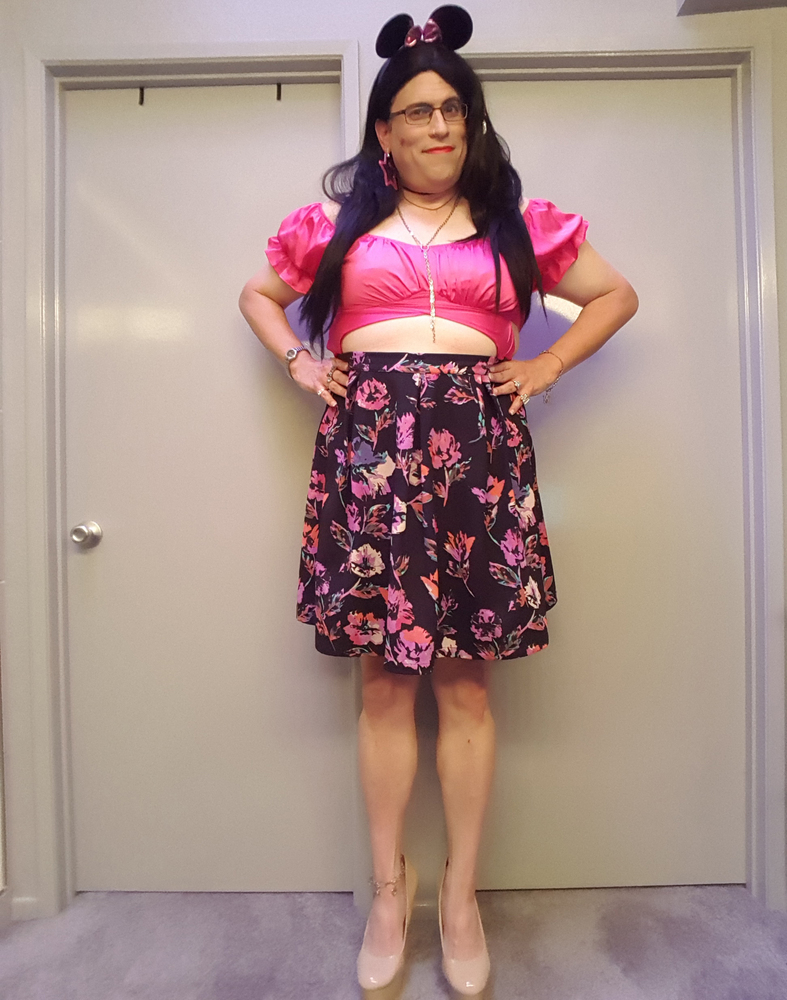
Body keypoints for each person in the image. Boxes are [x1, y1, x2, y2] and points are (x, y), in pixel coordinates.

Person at [239, 5, 638, 994]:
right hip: (369, 457)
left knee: (465, 686)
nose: (439, 127)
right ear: (385, 129)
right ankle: (390, 890)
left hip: (476, 457)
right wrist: (299, 360)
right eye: (418, 111)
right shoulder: (335, 228)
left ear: (472, 120)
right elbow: (257, 296)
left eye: (454, 109)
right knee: (383, 681)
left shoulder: (518, 226)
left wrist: (544, 365)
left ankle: (459, 898)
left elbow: (614, 295)